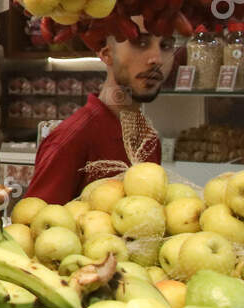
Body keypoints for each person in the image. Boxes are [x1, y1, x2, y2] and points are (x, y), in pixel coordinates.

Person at [25, 18, 176, 203]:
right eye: (141, 43)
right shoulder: (71, 140)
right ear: (107, 54)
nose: (157, 59)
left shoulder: (148, 140)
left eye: (166, 46)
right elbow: (33, 217)